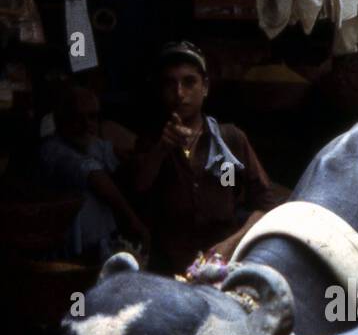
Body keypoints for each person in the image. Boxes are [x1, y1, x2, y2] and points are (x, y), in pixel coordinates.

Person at [131, 41, 277, 273]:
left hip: (221, 265)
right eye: (170, 84)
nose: (179, 93)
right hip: (168, 269)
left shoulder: (230, 139)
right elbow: (136, 192)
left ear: (205, 87)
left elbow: (266, 204)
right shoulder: (150, 141)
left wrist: (231, 244)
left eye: (189, 82)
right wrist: (161, 150)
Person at [38, 80, 148, 261]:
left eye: (92, 117)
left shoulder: (91, 142)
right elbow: (94, 176)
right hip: (73, 254)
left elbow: (129, 157)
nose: (85, 124)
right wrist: (134, 222)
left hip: (103, 246)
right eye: (76, 117)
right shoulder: (53, 148)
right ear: (60, 120)